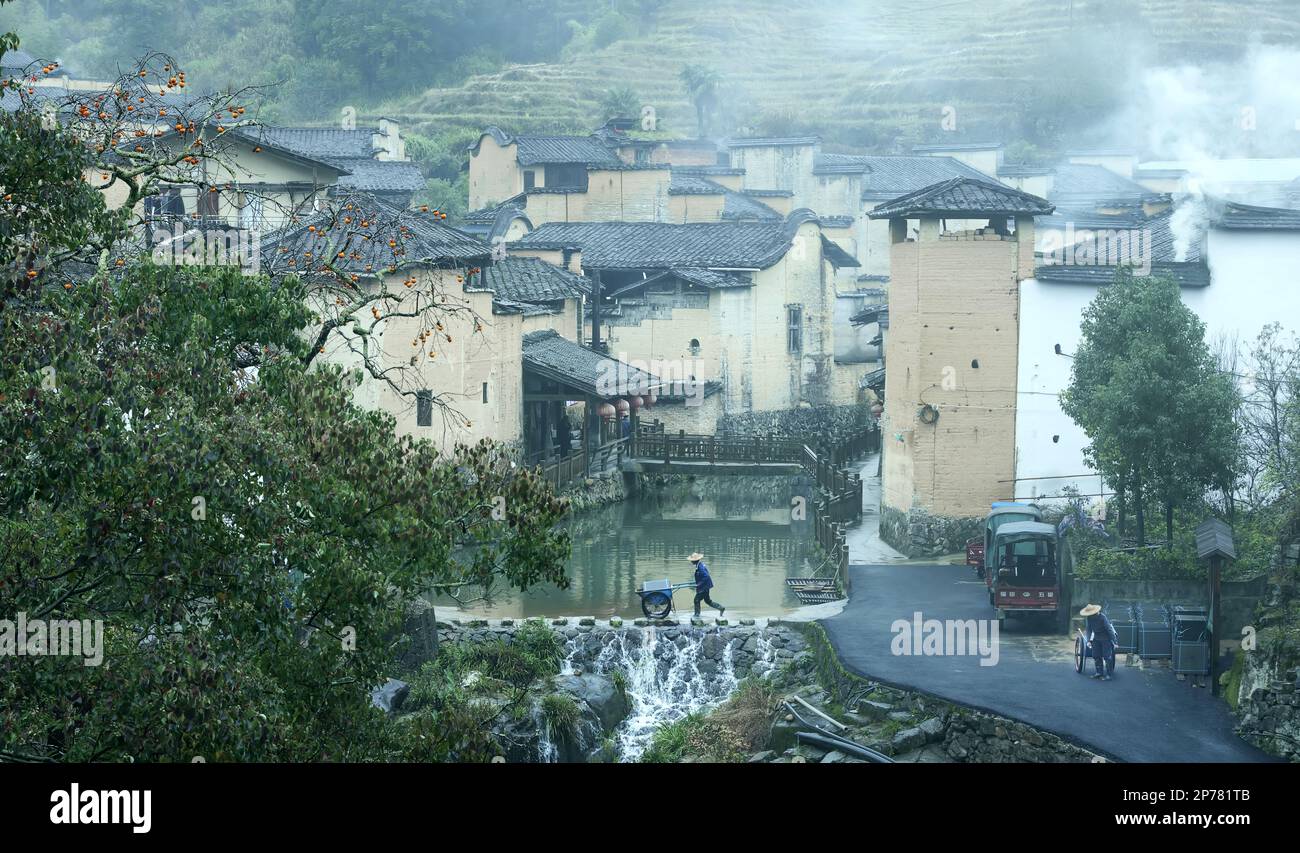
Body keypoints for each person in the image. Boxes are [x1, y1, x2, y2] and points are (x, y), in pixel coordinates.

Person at [1080, 604, 1117, 680]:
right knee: (1096, 655)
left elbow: (1109, 629)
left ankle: (1109, 674)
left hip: (1105, 638)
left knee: (1107, 656)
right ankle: (1099, 672)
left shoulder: (1102, 618)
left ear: (1095, 612)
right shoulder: (1089, 618)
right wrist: (1089, 641)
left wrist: (1115, 641)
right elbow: (1089, 630)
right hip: (1096, 638)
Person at [689, 552, 724, 618]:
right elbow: (702, 576)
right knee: (708, 601)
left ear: (694, 561)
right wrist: (696, 582)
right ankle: (721, 608)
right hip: (705, 586)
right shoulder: (700, 565)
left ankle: (697, 615)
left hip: (704, 587)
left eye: (692, 560)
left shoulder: (700, 567)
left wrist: (699, 584)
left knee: (696, 600)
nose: (691, 561)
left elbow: (706, 576)